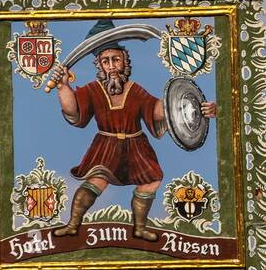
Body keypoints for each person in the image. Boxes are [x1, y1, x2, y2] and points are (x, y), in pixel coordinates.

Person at [48, 21, 215, 240]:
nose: (112, 66)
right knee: (96, 180)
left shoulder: (135, 90)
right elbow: (75, 111)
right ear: (99, 65)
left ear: (125, 61)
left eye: (116, 59)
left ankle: (139, 228)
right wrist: (62, 87)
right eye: (106, 61)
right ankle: (72, 225)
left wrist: (193, 108)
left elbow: (157, 110)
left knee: (151, 180)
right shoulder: (92, 90)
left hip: (136, 145)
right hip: (106, 146)